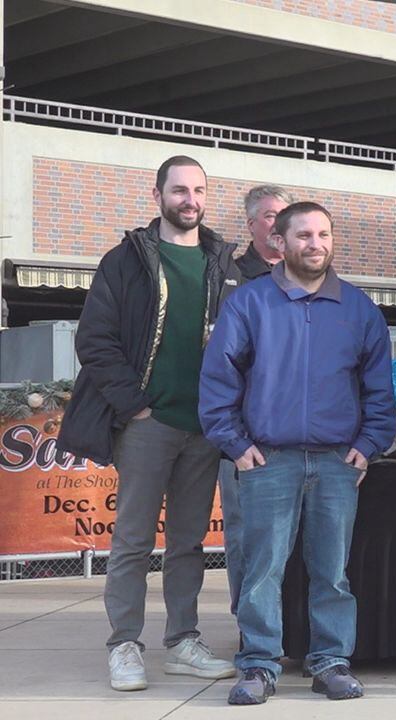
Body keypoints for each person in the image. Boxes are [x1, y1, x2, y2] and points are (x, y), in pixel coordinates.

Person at [200, 201, 396, 705]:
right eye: (304, 235)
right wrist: (237, 445)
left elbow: (379, 390)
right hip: (267, 460)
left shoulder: (359, 309)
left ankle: (331, 661)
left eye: (324, 234)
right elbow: (218, 380)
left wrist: (367, 445)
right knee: (262, 569)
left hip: (336, 463)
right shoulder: (248, 304)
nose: (316, 244)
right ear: (280, 243)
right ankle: (259, 664)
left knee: (331, 571)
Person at [57, 155, 240, 691]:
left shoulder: (221, 263)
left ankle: (183, 640)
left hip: (204, 426)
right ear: (157, 194)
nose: (191, 200)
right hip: (148, 423)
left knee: (188, 543)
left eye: (199, 190)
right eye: (180, 190)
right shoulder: (126, 259)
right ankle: (125, 645)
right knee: (134, 539)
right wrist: (133, 404)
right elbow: (94, 339)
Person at [220, 184, 295, 618]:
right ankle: (249, 622)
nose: (279, 222)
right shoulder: (229, 278)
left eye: (284, 213)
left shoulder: (310, 275)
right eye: (269, 215)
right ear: (252, 225)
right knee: (245, 530)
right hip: (243, 433)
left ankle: (292, 624)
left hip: (302, 432)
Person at [236, 185, 294, 279]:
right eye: (271, 216)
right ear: (251, 225)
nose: (279, 222)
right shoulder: (233, 275)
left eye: (284, 216)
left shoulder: (306, 272)